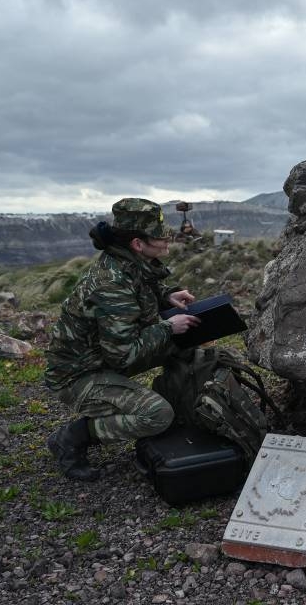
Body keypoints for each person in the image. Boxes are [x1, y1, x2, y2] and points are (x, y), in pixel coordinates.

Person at [43, 198, 201, 481]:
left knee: (185, 341)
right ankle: (72, 437)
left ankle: (183, 403)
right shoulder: (111, 283)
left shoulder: (130, 262)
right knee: (157, 415)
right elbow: (124, 355)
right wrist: (166, 328)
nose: (168, 241)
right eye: (160, 237)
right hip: (78, 375)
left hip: (103, 358)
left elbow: (143, 286)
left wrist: (166, 295)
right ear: (138, 244)